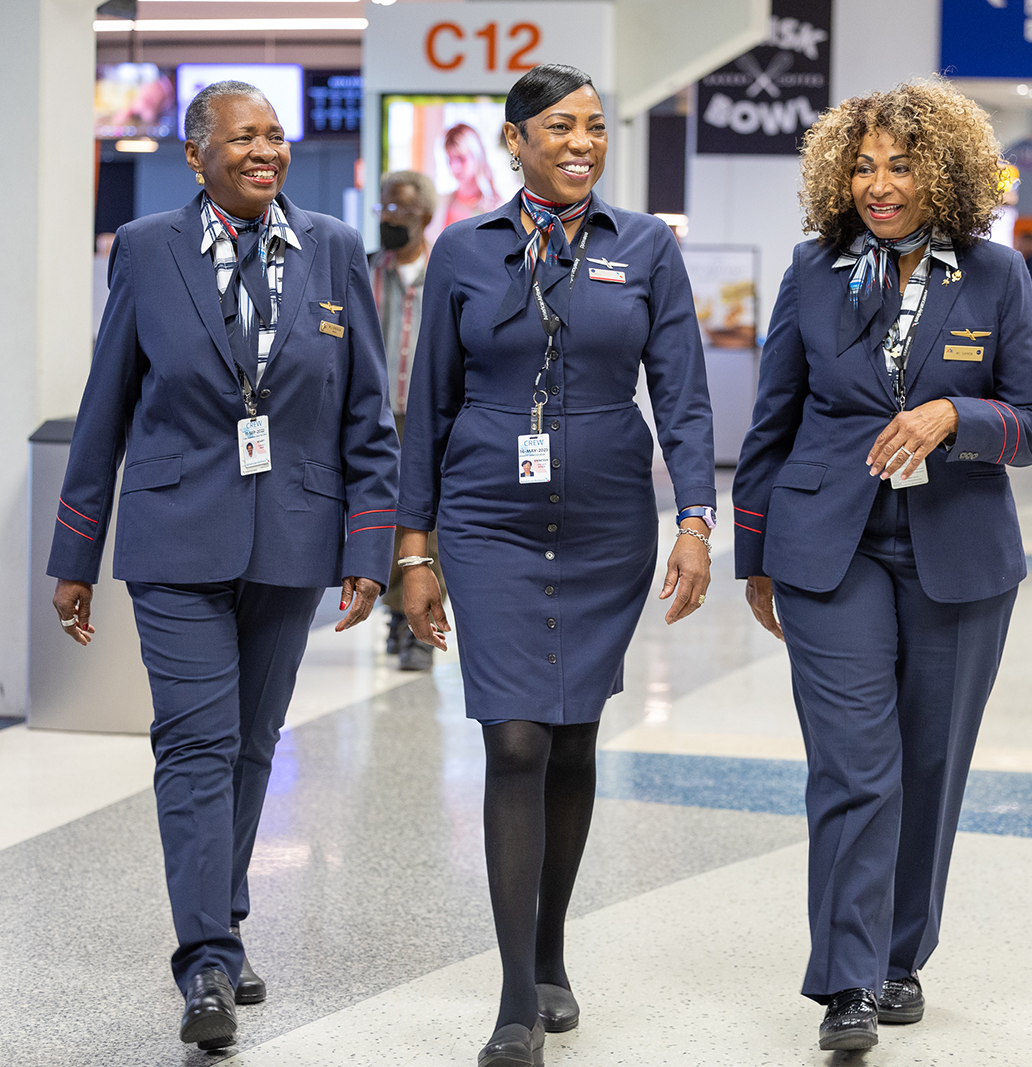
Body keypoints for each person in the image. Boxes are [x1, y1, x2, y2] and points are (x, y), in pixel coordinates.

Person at [46, 80, 398, 1050]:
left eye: (276, 136)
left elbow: (367, 409)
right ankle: (204, 957)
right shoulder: (147, 248)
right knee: (196, 743)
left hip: (293, 534)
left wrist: (368, 542)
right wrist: (76, 549)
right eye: (243, 137)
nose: (266, 151)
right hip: (174, 535)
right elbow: (106, 403)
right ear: (196, 155)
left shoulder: (333, 247)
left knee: (250, 743)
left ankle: (224, 917)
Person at [395, 63, 715, 1067]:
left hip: (606, 524)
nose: (583, 143)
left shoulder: (645, 246)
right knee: (515, 738)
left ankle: (550, 951)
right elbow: (427, 407)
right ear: (516, 139)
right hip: (486, 518)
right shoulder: (462, 250)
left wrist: (696, 520)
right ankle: (512, 1002)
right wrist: (414, 546)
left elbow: (683, 393)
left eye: (595, 127)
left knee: (572, 737)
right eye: (561, 127)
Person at [733, 79, 1032, 1052]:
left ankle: (896, 957)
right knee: (853, 765)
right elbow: (772, 419)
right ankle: (845, 981)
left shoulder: (996, 276)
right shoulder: (813, 269)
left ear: (944, 171)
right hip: (827, 549)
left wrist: (956, 415)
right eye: (863, 166)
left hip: (958, 553)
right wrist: (755, 554)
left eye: (902, 165)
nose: (879, 184)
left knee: (928, 764)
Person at [369, 169, 447, 671]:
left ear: (426, 215)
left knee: (426, 519)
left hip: (429, 416)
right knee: (385, 517)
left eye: (401, 208)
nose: (390, 218)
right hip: (376, 417)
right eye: (385, 208)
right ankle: (397, 612)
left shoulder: (445, 272)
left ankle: (418, 621)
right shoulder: (365, 272)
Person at [437, 122, 504, 232]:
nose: (455, 167)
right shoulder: (441, 203)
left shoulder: (496, 207)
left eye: (461, 158)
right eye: (450, 159)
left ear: (477, 156)